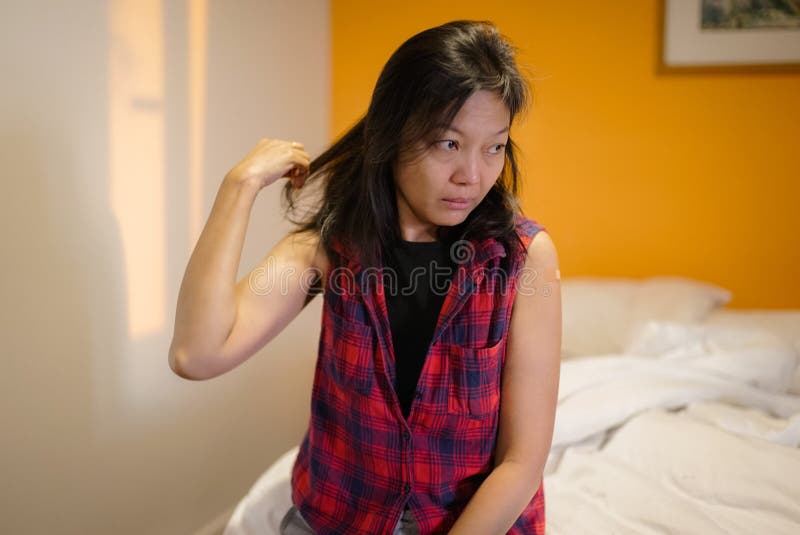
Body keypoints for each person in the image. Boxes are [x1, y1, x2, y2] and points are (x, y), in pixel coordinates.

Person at [169, 20, 561, 535]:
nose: (472, 175)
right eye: (448, 144)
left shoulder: (522, 258)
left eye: (493, 147)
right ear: (394, 134)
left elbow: (522, 462)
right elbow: (196, 354)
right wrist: (238, 187)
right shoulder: (328, 250)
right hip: (337, 517)